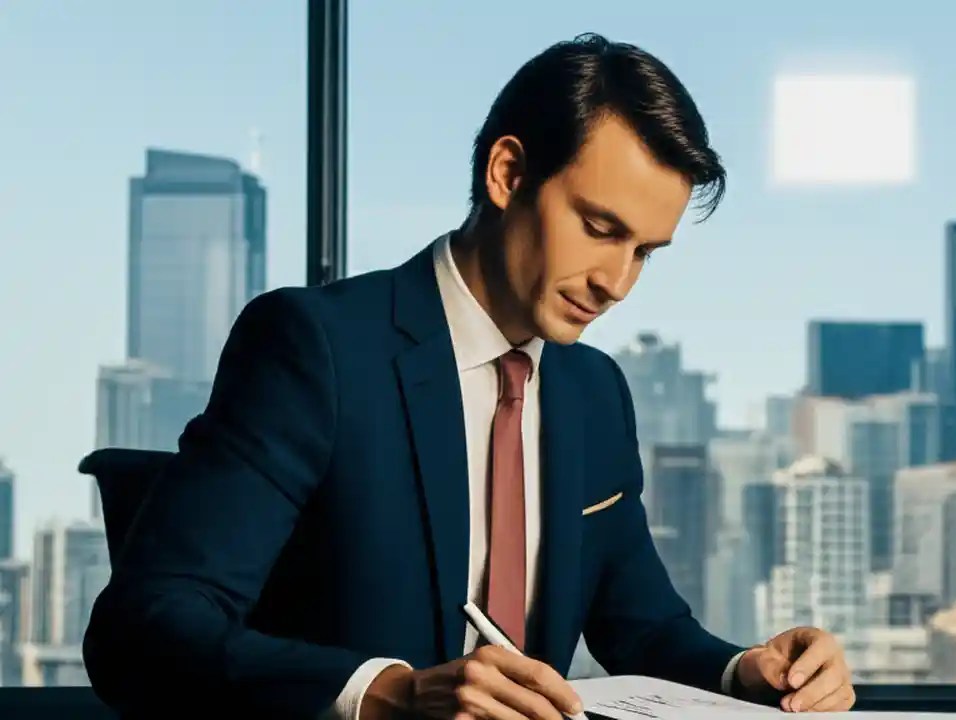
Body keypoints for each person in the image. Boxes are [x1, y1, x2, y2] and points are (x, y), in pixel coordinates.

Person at [83, 33, 855, 719]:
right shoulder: (317, 348)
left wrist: (750, 671)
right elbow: (145, 627)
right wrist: (388, 694)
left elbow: (645, 628)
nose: (617, 281)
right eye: (599, 228)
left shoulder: (594, 393)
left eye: (645, 252)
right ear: (507, 173)